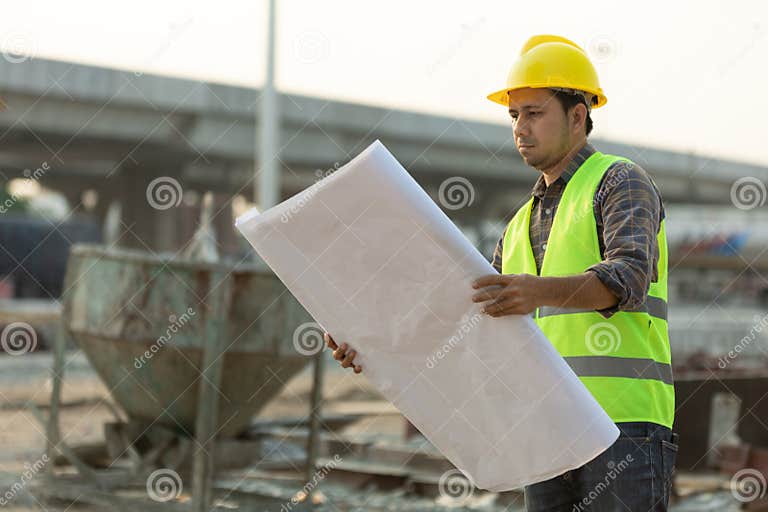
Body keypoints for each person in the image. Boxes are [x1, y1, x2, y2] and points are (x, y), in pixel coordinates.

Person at [325, 34, 679, 511]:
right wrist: (370, 345)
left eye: (534, 113)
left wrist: (535, 293)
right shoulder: (517, 227)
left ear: (578, 116)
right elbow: (465, 323)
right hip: (547, 430)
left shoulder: (620, 180)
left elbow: (629, 277)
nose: (520, 128)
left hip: (624, 427)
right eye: (514, 116)